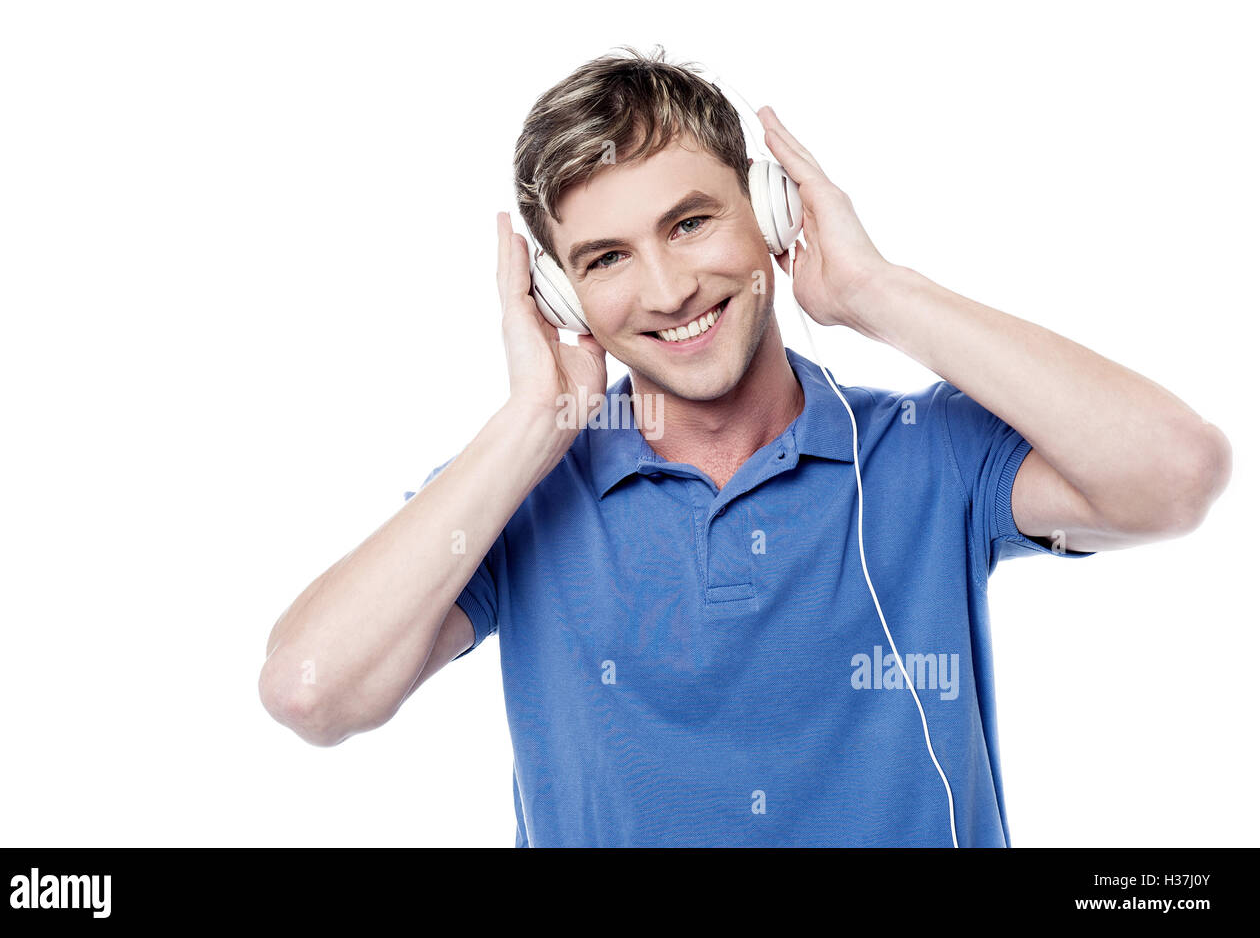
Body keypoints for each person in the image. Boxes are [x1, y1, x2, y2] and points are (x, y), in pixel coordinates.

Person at [257, 46, 1232, 847]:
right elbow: (310, 691)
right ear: (562, 297)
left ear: (770, 212)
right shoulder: (517, 491)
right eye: (606, 258)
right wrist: (529, 421)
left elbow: (1176, 474)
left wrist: (875, 292)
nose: (668, 289)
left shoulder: (925, 454)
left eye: (689, 223)